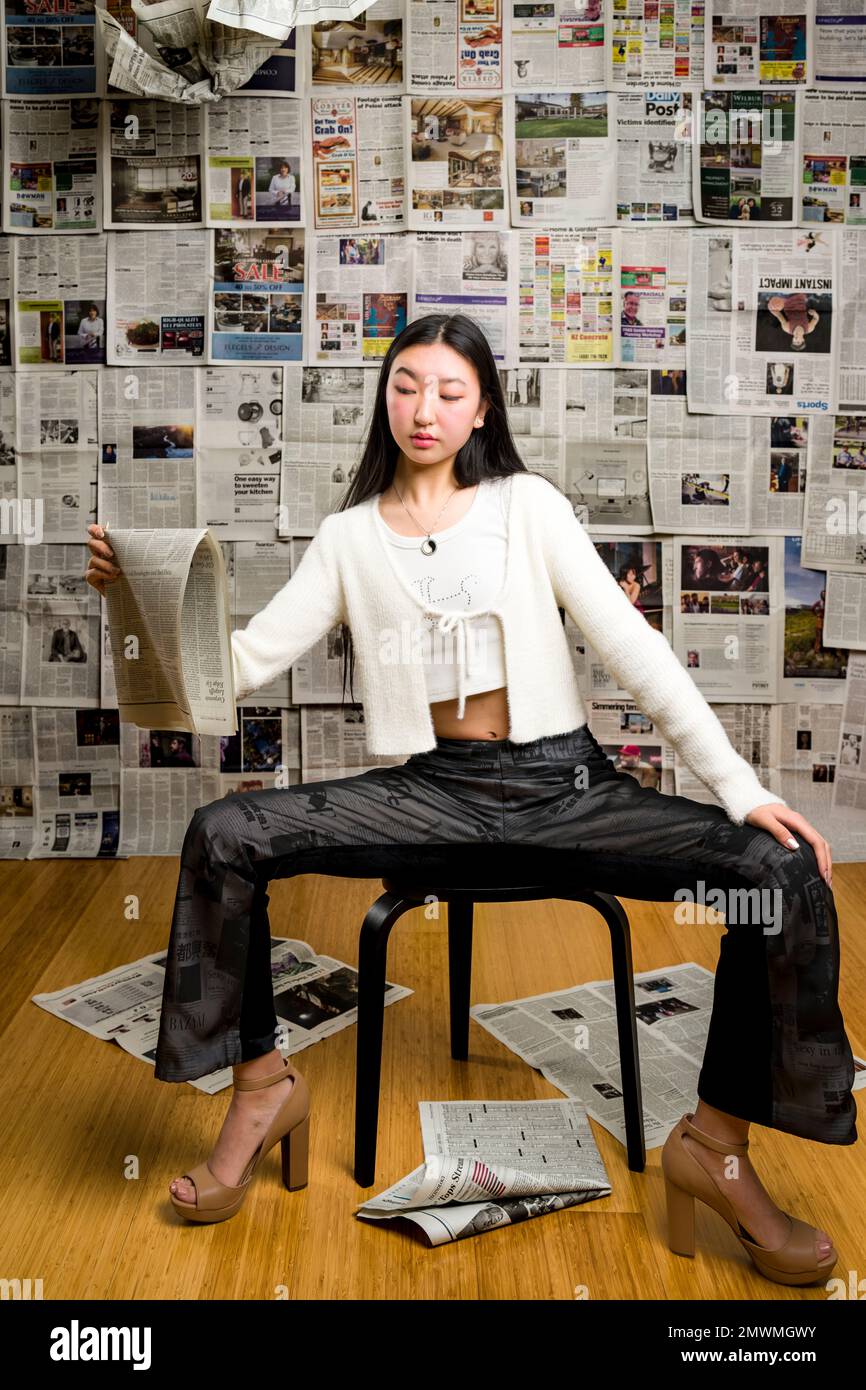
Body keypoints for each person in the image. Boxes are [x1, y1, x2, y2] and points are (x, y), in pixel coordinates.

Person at [85, 313, 854, 1282]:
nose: (423, 408)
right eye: (406, 384)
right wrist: (134, 598)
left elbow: (633, 649)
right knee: (223, 831)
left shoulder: (525, 504)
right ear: (385, 396)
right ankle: (260, 1089)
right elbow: (231, 669)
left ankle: (713, 1146)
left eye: (448, 390)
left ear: (480, 404)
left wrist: (740, 790)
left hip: (564, 787)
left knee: (775, 871)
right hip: (433, 796)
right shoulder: (349, 535)